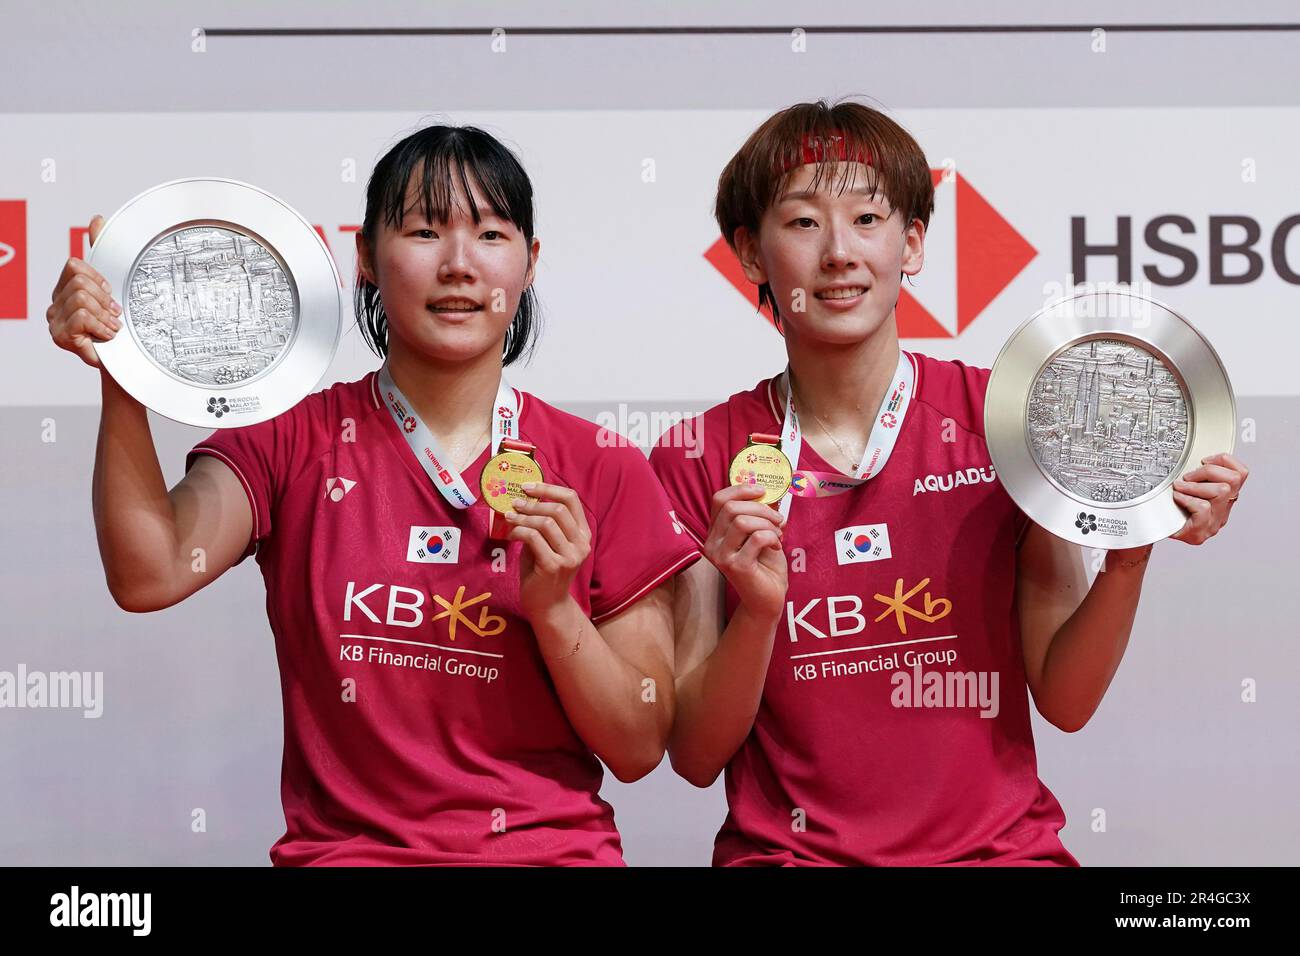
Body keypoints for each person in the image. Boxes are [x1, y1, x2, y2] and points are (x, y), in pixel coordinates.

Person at [46, 124, 699, 865]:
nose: (458, 264)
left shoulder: (601, 464)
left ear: (529, 263)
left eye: (490, 233)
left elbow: (640, 744)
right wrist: (120, 368)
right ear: (364, 257)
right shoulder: (292, 439)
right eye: (424, 230)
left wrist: (553, 609)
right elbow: (150, 571)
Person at [650, 98, 1249, 866]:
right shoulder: (699, 457)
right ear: (751, 255)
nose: (839, 252)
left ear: (914, 243)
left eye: (868, 219)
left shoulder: (1006, 422)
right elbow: (696, 756)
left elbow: (1065, 702)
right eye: (803, 222)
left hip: (999, 856)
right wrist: (760, 615)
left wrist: (1131, 546)